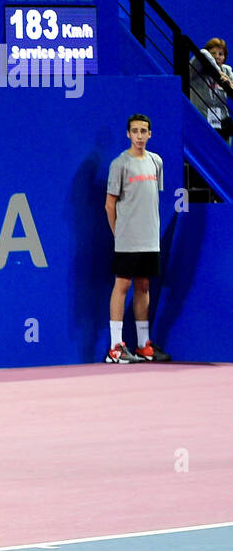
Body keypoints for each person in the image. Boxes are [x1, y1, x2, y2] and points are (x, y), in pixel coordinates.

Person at [104, 114, 170, 364]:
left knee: (143, 286)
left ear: (150, 134)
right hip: (127, 238)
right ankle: (115, 348)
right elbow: (110, 205)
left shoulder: (156, 162)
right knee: (122, 285)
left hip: (150, 239)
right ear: (128, 135)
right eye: (135, 131)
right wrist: (118, 232)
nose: (140, 135)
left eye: (144, 131)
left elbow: (152, 199)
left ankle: (143, 345)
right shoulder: (119, 164)